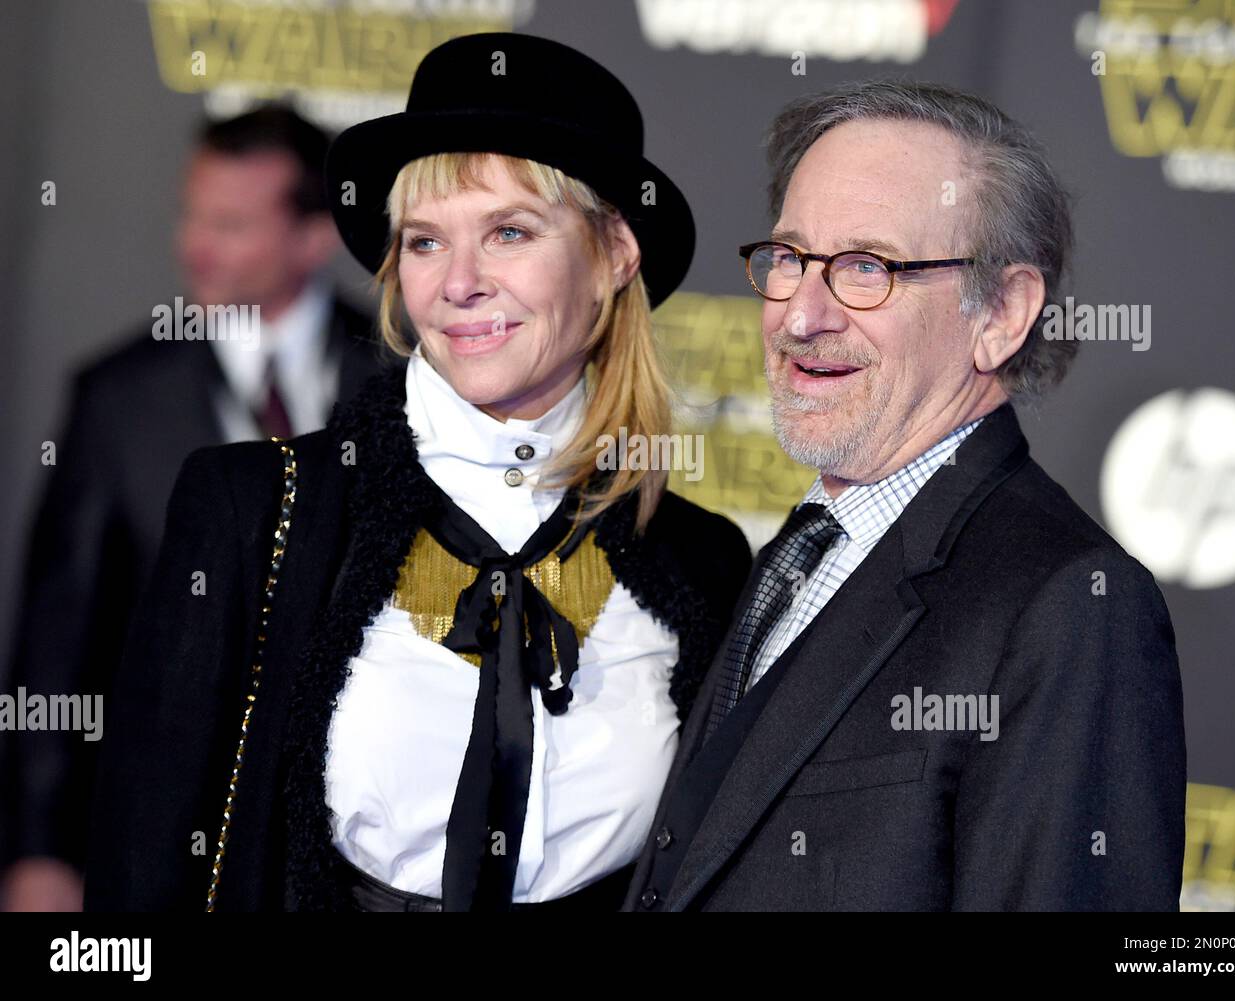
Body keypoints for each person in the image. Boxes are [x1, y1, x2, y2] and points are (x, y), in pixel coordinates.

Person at [83, 32, 751, 912]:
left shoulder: (699, 560)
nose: (459, 283)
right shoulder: (259, 510)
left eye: (509, 232)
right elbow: (145, 864)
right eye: (427, 241)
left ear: (615, 252)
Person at [625, 80, 1186, 911]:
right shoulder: (806, 544)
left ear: (1001, 311)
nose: (801, 316)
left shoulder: (1073, 606)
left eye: (866, 268)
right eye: (789, 258)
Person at [0, 104, 386, 912]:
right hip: (153, 839)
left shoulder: (401, 377)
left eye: (232, 222)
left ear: (313, 238)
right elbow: (57, 643)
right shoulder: (117, 399)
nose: (196, 244)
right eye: (191, 214)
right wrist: (38, 848)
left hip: (354, 847)